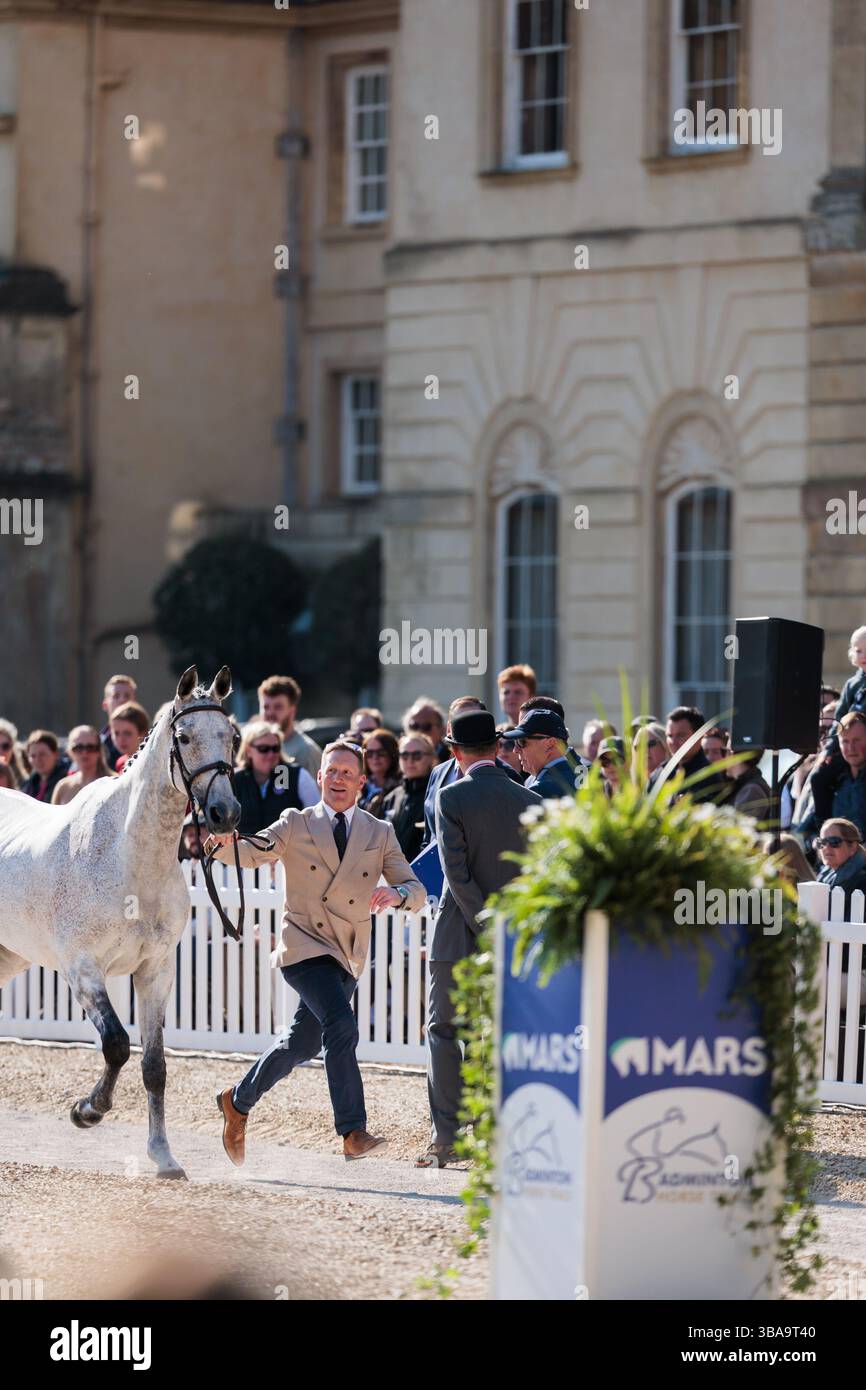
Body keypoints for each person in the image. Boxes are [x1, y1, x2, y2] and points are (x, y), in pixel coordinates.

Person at [208, 741, 425, 1163]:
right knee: (341, 1026)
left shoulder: (379, 832)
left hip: (348, 954)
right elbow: (255, 850)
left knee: (300, 1044)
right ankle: (352, 1131)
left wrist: (395, 894)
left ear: (362, 782)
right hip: (303, 946)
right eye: (332, 771)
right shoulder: (296, 821)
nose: (339, 778)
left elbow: (414, 889)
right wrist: (221, 841)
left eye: (348, 772)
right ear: (320, 777)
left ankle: (237, 1101)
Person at [417, 710, 542, 1167]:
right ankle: (492, 1133)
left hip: (456, 933)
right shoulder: (529, 801)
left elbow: (456, 872)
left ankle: (446, 1136)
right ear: (497, 746)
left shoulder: (451, 796)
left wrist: (481, 921)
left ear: (454, 751)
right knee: (495, 1035)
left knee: (445, 1031)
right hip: (509, 935)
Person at [420, 698, 522, 849]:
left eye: (475, 720)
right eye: (462, 721)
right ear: (449, 729)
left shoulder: (508, 775)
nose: (470, 727)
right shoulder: (438, 773)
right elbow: (429, 836)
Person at [233, 720, 318, 835]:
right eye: (263, 749)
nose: (270, 754)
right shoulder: (235, 780)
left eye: (275, 748)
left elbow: (317, 819)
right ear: (248, 751)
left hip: (288, 852)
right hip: (246, 851)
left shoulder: (297, 776)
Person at [798, 712, 866, 850]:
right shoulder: (830, 783)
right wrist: (820, 844)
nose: (851, 748)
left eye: (857, 740)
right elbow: (810, 832)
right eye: (845, 742)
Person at [501, 708, 585, 799]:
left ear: (550, 744)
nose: (515, 750)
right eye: (515, 742)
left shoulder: (540, 789)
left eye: (522, 742)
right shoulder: (588, 773)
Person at [381, 732, 437, 860]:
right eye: (404, 755)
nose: (410, 761)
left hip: (423, 873)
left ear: (431, 757)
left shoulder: (438, 794)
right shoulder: (391, 797)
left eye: (417, 755)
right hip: (393, 874)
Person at [257, 675, 322, 777]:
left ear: (292, 711)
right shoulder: (252, 748)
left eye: (278, 707)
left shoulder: (307, 752)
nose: (270, 713)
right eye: (266, 707)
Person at [51, 725, 113, 805]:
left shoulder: (113, 783)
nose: (84, 752)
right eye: (78, 747)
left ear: (99, 750)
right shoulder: (63, 786)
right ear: (70, 751)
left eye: (90, 747)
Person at [815, 818, 866, 908]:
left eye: (834, 842)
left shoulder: (862, 882)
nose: (826, 848)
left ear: (853, 847)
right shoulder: (824, 876)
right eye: (822, 842)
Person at [100, 673, 138, 771]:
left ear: (135, 702)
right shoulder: (95, 744)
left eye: (127, 696)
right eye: (116, 696)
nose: (122, 700)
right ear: (105, 704)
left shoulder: (147, 739)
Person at [359, 728, 400, 814]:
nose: (375, 757)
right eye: (369, 753)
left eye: (381, 752)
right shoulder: (360, 786)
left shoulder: (401, 787)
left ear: (393, 754)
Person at [20, 730, 70, 802]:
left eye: (42, 754)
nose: (38, 760)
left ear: (56, 754)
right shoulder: (27, 785)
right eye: (33, 756)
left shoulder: (67, 783)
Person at [725, 748, 771, 823]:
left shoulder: (751, 790)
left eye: (725, 751)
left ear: (732, 754)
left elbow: (739, 831)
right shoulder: (747, 786)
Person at [402, 698, 448, 762]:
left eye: (426, 726)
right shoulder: (395, 757)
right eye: (414, 726)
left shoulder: (454, 758)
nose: (419, 731)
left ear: (442, 730)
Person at [109, 701, 150, 772]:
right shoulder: (120, 763)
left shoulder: (149, 763)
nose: (121, 739)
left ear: (142, 733)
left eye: (127, 733)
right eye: (116, 733)